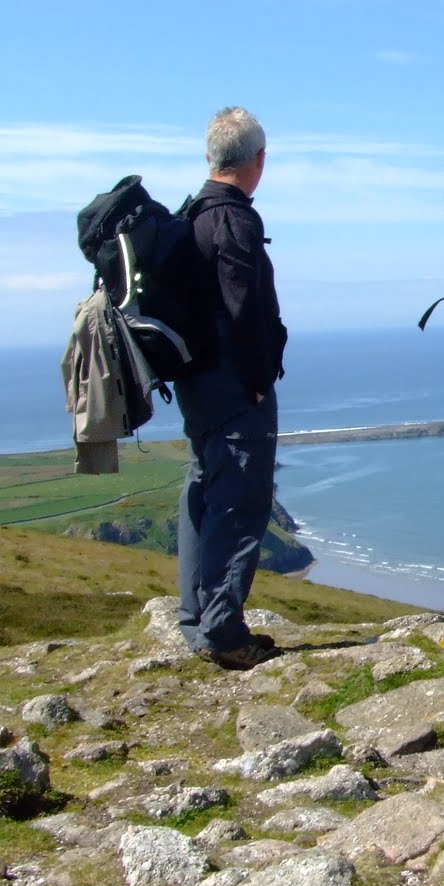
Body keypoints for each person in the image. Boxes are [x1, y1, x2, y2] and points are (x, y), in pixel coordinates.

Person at [173, 106, 289, 671]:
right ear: (258, 160)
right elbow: (243, 308)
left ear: (210, 156)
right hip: (233, 385)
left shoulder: (191, 214)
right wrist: (259, 380)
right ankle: (222, 632)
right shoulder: (233, 219)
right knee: (239, 501)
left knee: (203, 489)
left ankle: (197, 619)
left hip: (197, 381)